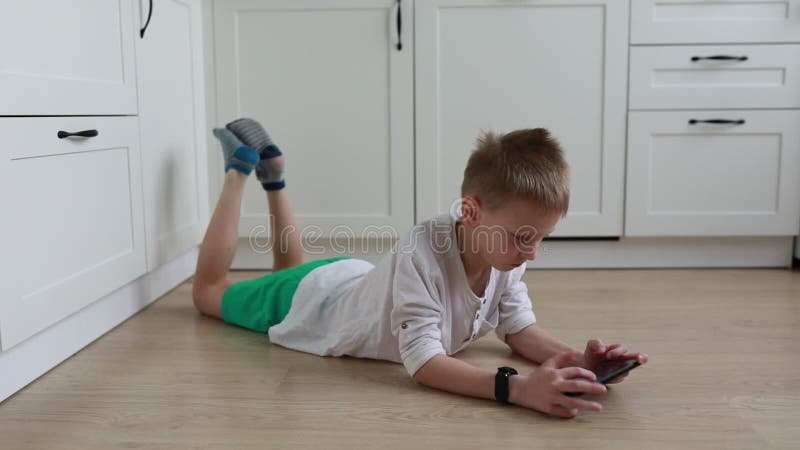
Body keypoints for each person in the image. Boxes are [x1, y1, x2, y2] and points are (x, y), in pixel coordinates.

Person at [192, 118, 649, 418]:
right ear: (470, 212)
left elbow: (518, 328)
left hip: (348, 281)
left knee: (283, 269)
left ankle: (275, 177)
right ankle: (241, 169)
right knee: (208, 294)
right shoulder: (423, 253)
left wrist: (577, 363)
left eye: (540, 239)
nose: (531, 253)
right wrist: (518, 388)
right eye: (524, 238)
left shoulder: (501, 250)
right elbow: (426, 365)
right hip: (314, 301)